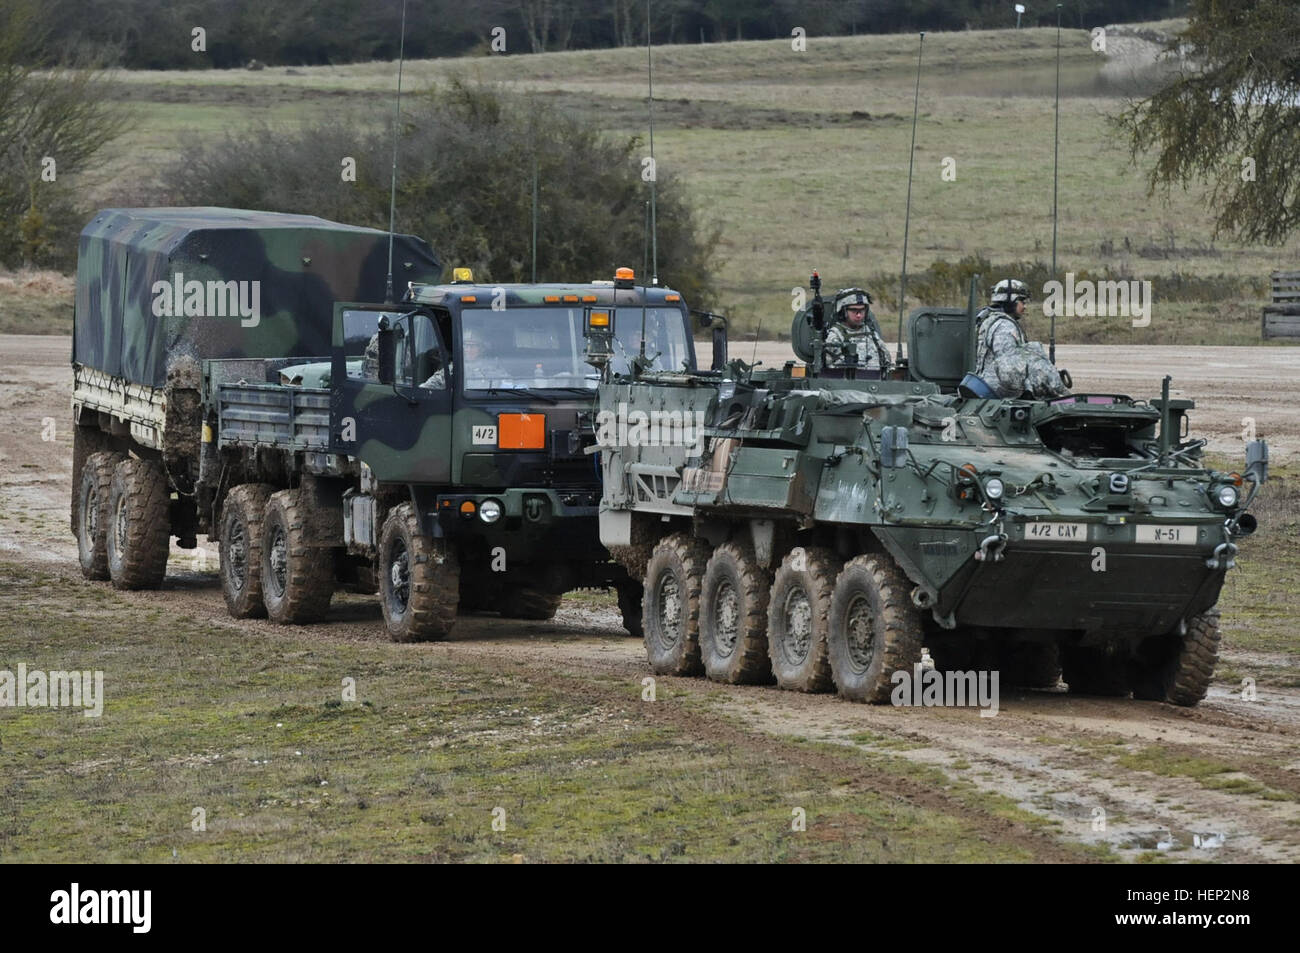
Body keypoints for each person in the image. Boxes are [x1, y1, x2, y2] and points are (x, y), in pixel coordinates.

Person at [973, 279, 1071, 399]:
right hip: (1000, 392)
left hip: (990, 387)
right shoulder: (1004, 326)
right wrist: (1036, 381)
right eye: (1022, 301)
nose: (1025, 306)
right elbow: (1009, 373)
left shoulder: (990, 320)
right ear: (1010, 302)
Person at [824, 287, 892, 372]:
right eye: (854, 310)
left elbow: (887, 362)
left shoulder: (871, 333)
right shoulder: (836, 336)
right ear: (843, 311)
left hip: (875, 382)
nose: (859, 315)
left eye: (862, 310)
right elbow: (828, 373)